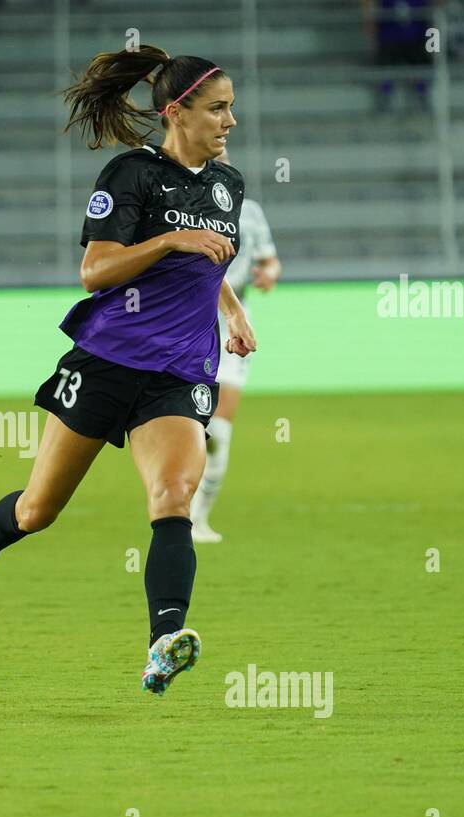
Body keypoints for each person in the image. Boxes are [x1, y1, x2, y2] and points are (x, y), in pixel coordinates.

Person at [0, 45, 256, 696]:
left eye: (232, 110)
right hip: (108, 359)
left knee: (173, 499)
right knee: (38, 508)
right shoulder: (130, 175)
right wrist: (168, 238)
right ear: (176, 112)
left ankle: (163, 643)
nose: (230, 122)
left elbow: (207, 264)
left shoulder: (228, 186)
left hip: (180, 369)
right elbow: (95, 271)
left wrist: (234, 308)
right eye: (218, 109)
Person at [189, 148, 280, 544]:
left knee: (218, 435)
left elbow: (270, 259)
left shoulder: (250, 211)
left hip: (233, 326)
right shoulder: (184, 205)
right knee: (188, 428)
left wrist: (269, 273)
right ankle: (174, 509)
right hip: (187, 322)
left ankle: (199, 519)